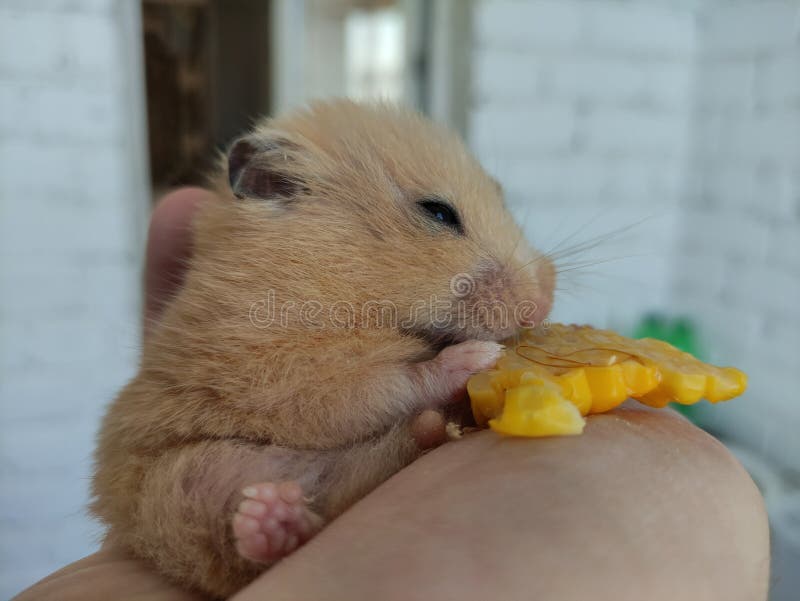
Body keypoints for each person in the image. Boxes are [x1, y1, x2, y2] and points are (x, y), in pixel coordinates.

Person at [14, 188, 770, 601]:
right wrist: (418, 380)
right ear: (275, 188)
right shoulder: (258, 301)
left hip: (334, 468)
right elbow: (282, 399)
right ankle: (268, 525)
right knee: (203, 483)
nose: (534, 279)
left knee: (403, 448)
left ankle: (302, 517)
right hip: (206, 453)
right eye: (441, 215)